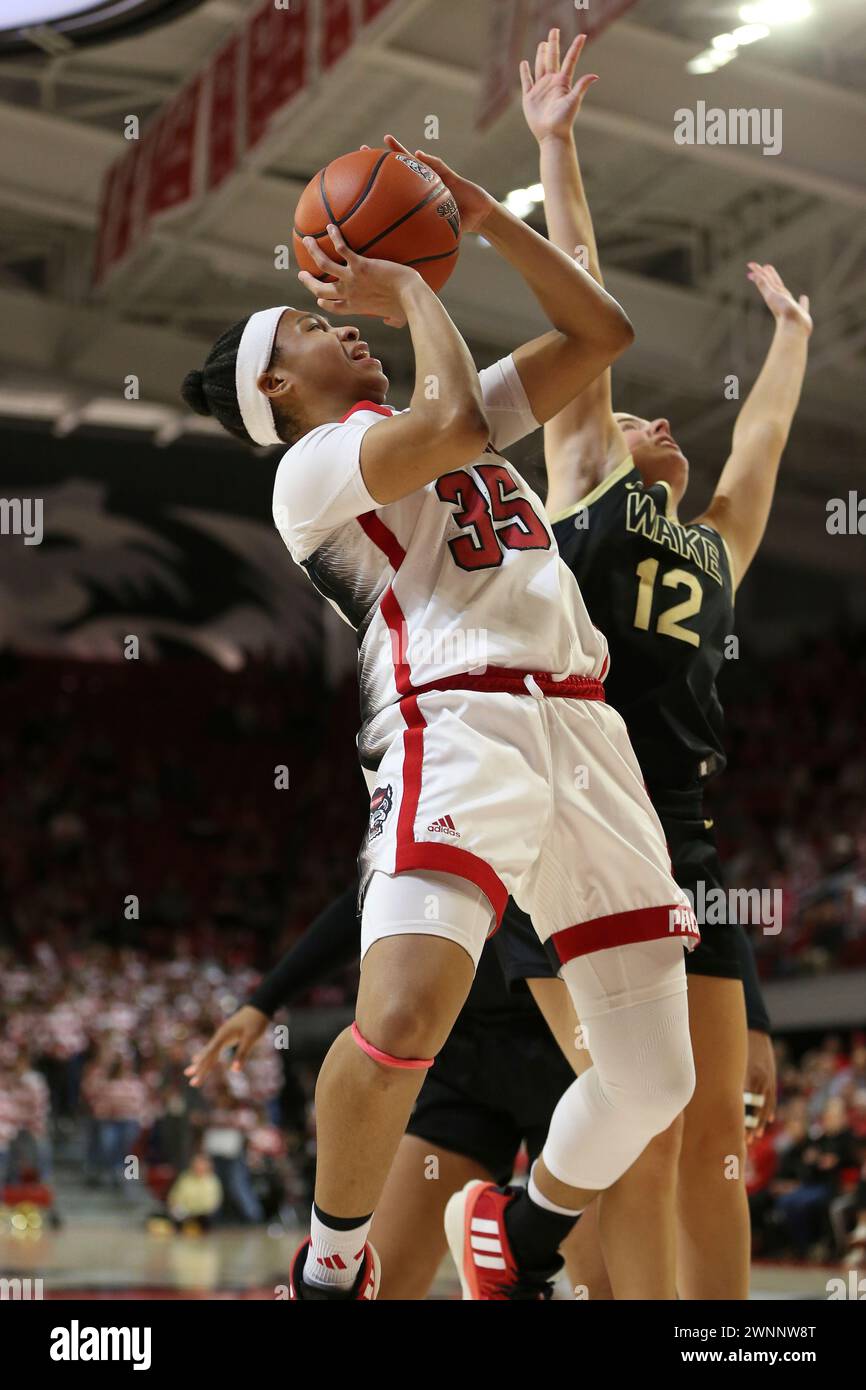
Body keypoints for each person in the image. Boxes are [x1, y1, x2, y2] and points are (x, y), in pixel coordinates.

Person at [182, 134, 700, 1302]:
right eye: (311, 324)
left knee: (652, 1079)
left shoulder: (421, 400)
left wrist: (480, 217)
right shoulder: (309, 469)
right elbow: (461, 426)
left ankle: (521, 1230)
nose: (340, 321)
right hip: (456, 722)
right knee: (407, 1012)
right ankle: (331, 1266)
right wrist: (415, 282)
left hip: (584, 726)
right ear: (275, 380)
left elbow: (600, 336)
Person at [485, 28, 810, 1299]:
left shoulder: (715, 543)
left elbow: (767, 439)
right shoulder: (585, 484)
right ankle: (574, 1281)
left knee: (716, 1133)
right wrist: (556, 145)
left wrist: (787, 329)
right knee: (637, 1119)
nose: (649, 417)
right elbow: (581, 287)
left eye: (655, 416)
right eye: (629, 410)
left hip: (688, 827)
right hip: (579, 822)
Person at [187, 887, 584, 1299]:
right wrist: (265, 1001)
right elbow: (365, 898)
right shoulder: (425, 834)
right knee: (384, 1285)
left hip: (566, 1060)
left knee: (604, 1287)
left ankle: (517, 1237)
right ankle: (330, 1270)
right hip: (463, 1065)